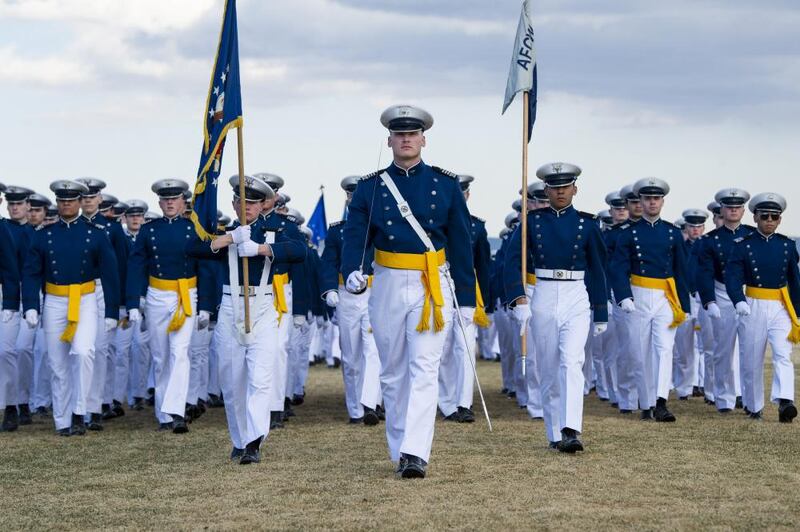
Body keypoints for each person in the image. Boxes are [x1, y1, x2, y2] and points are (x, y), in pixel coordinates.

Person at [341, 104, 475, 478]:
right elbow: (355, 234)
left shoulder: (446, 185)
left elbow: (462, 245)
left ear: (423, 139)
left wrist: (466, 299)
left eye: (412, 134)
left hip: (431, 285)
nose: (405, 139)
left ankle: (416, 452)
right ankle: (400, 448)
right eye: (399, 134)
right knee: (394, 372)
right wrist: (353, 269)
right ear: (389, 140)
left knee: (425, 368)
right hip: (386, 282)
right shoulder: (371, 186)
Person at [188, 175, 305, 464]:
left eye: (253, 203)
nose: (248, 207)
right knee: (231, 379)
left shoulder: (274, 229)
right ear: (234, 203)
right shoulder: (226, 231)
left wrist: (263, 249)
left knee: (261, 377)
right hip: (230, 305)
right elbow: (192, 248)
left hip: (264, 305)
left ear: (263, 204)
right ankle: (240, 439)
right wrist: (229, 239)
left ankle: (254, 441)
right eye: (242, 202)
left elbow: (300, 250)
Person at [504, 162, 608, 453]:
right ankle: (554, 431)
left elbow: (599, 268)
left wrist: (600, 311)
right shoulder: (531, 222)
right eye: (554, 187)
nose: (560, 192)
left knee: (572, 362)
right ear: (545, 190)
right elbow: (512, 261)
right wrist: (519, 298)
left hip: (576, 293)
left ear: (575, 189)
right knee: (548, 366)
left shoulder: (588, 224)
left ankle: (571, 428)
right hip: (544, 292)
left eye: (565, 187)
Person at [22, 179, 120, 436]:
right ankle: (62, 420)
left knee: (84, 353)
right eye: (62, 201)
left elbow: (110, 274)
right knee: (57, 363)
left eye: (71, 200)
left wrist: (111, 312)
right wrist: (31, 305)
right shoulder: (43, 236)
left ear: (79, 202)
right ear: (57, 203)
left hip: (85, 298)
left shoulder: (95, 233)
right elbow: (31, 273)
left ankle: (80, 412)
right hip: (54, 301)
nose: (66, 204)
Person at [610, 177, 690, 422]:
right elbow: (617, 267)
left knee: (664, 349)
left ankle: (661, 401)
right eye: (647, 198)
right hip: (639, 294)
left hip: (666, 296)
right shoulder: (629, 233)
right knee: (639, 351)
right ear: (640, 202)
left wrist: (684, 306)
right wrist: (624, 296)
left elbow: (681, 270)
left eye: (656, 198)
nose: (652, 202)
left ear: (663, 202)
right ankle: (646, 402)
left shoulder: (673, 233)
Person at [126, 179, 201, 433]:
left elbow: (205, 265)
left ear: (183, 201)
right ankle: (163, 414)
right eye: (165, 199)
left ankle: (176, 412)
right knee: (160, 357)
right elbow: (136, 265)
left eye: (175, 198)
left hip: (186, 294)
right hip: (157, 294)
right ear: (159, 202)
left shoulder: (194, 228)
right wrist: (134, 301)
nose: (170, 203)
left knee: (180, 353)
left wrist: (207, 305)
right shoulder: (149, 230)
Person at [725, 193, 798, 422]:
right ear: (755, 217)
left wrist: (798, 312)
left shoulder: (787, 245)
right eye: (764, 215)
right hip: (753, 304)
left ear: (779, 220)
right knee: (751, 359)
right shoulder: (743, 245)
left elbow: (794, 281)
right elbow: (733, 277)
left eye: (774, 216)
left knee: (782, 353)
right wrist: (739, 300)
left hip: (780, 305)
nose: (769, 220)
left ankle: (785, 401)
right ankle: (754, 406)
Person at [320, 176, 382, 425]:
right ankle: (356, 409)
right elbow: (328, 263)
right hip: (347, 296)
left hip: (375, 295)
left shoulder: (380, 228)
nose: (353, 199)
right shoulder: (337, 231)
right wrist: (329, 290)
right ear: (346, 198)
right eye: (350, 195)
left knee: (373, 351)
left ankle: (371, 404)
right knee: (351, 355)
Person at [438, 174, 492, 423]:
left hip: (468, 291)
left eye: (463, 194)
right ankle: (447, 403)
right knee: (443, 348)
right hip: (439, 287)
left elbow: (483, 267)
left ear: (468, 196)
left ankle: (464, 403)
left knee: (466, 347)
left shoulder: (476, 227)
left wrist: (487, 302)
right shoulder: (435, 223)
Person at [697, 188, 754, 413]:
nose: (733, 210)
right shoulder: (710, 240)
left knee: (749, 348)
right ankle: (724, 398)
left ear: (743, 210)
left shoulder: (752, 234)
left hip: (750, 293)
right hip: (721, 294)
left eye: (738, 207)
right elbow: (704, 272)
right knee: (723, 349)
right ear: (721, 209)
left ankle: (748, 398)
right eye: (729, 207)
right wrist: (709, 301)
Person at [672, 209, 710, 400]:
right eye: (692, 226)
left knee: (706, 346)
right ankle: (685, 388)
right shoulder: (679, 245)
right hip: (684, 299)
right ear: (686, 227)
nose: (695, 230)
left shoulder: (709, 246)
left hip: (705, 299)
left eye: (699, 226)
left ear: (703, 227)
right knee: (684, 348)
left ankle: (704, 385)